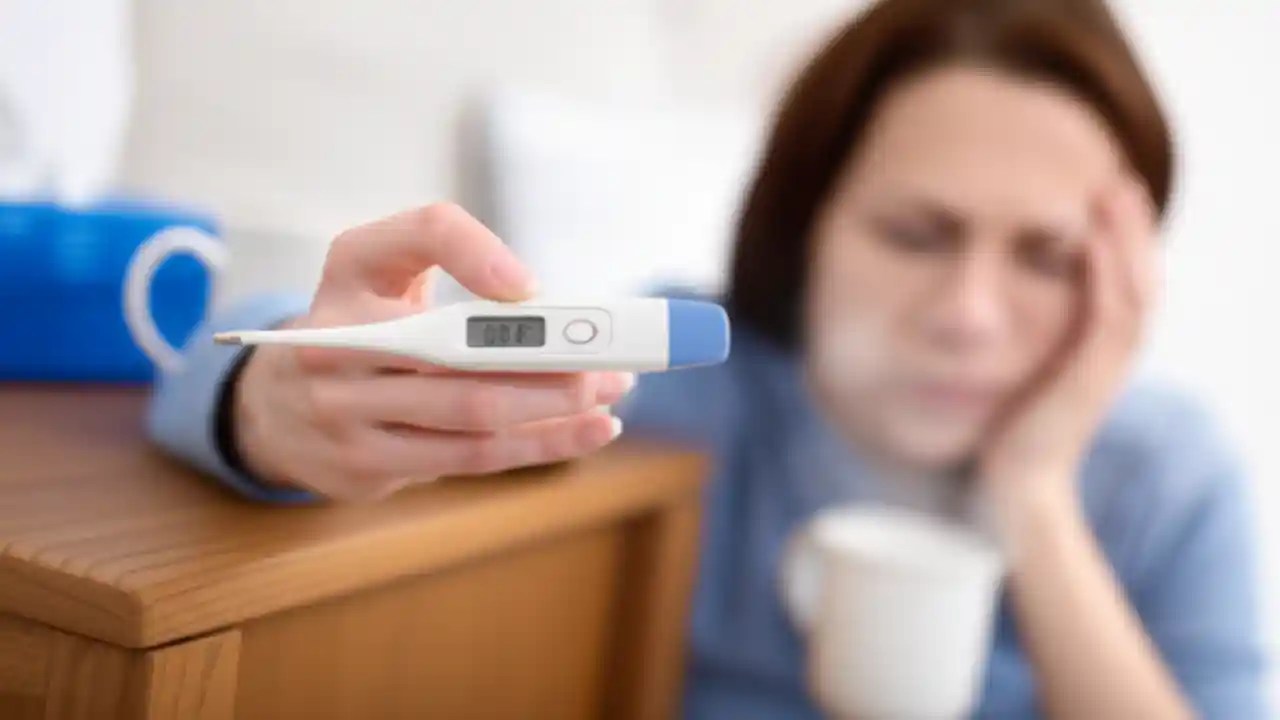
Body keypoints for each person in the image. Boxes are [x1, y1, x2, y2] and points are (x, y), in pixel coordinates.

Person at [149, 0, 1267, 716]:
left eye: (1046, 255)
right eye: (913, 234)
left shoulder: (1163, 476)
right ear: (803, 222)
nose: (970, 315)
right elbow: (227, 353)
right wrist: (274, 402)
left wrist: (1035, 493)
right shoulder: (683, 391)